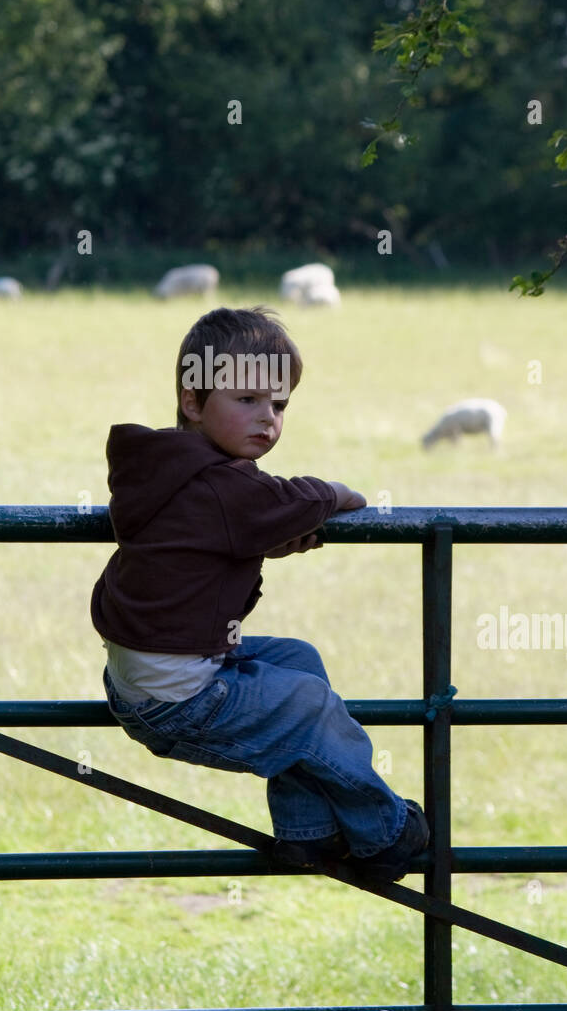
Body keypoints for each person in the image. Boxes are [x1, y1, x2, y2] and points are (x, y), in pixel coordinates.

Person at [91, 304, 429, 884]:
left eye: (279, 406)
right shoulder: (221, 482)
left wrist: (256, 539)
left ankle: (307, 832)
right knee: (306, 705)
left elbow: (227, 528)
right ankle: (387, 833)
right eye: (247, 401)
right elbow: (285, 503)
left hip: (146, 677)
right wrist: (336, 492)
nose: (267, 420)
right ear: (193, 401)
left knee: (298, 662)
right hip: (180, 699)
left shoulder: (166, 466)